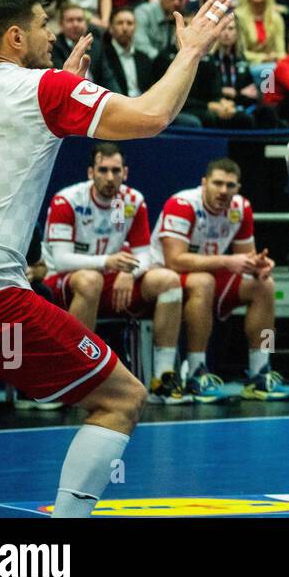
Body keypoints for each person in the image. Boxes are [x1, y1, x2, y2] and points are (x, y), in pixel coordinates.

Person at [0, 0, 232, 515]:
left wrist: (64, 98)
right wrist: (192, 50)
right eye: (44, 24)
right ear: (17, 37)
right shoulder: (45, 90)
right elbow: (153, 116)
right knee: (121, 399)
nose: (52, 33)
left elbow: (10, 140)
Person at [42, 144, 186, 404]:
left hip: (112, 282)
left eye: (116, 171)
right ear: (90, 172)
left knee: (169, 280)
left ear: (125, 172)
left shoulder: (128, 202)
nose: (110, 177)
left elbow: (144, 255)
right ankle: (76, 378)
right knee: (90, 279)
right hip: (65, 282)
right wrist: (109, 261)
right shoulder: (69, 200)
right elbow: (62, 260)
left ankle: (163, 377)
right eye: (103, 170)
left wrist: (130, 271)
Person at [150, 157, 287, 403]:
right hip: (166, 278)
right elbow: (174, 260)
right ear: (204, 183)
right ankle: (196, 371)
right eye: (218, 184)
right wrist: (226, 262)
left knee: (265, 286)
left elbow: (246, 257)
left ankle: (261, 368)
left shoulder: (241, 208)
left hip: (210, 276)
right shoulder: (182, 204)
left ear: (238, 188)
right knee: (203, 281)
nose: (224, 191)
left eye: (230, 186)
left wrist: (260, 265)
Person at [90, 6, 154, 96]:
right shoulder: (102, 55)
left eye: (129, 23)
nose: (125, 28)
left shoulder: (143, 58)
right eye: (120, 23)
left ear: (135, 28)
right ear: (111, 28)